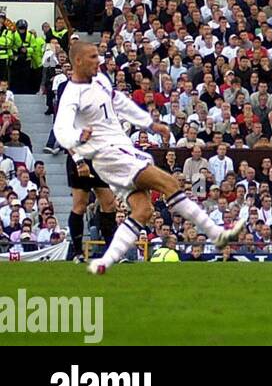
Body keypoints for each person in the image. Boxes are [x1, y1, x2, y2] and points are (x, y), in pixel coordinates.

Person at [53, 41, 242, 275]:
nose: (98, 61)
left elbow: (119, 102)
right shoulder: (71, 94)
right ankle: (216, 234)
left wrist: (150, 124)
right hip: (109, 155)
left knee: (143, 210)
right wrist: (77, 136)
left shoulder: (100, 79)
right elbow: (61, 130)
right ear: (78, 61)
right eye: (92, 57)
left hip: (121, 150)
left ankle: (104, 262)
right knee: (171, 184)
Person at [54, 74, 118, 262]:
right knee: (80, 205)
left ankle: (110, 252)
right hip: (80, 159)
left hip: (98, 159)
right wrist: (79, 160)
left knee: (109, 204)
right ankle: (77, 252)